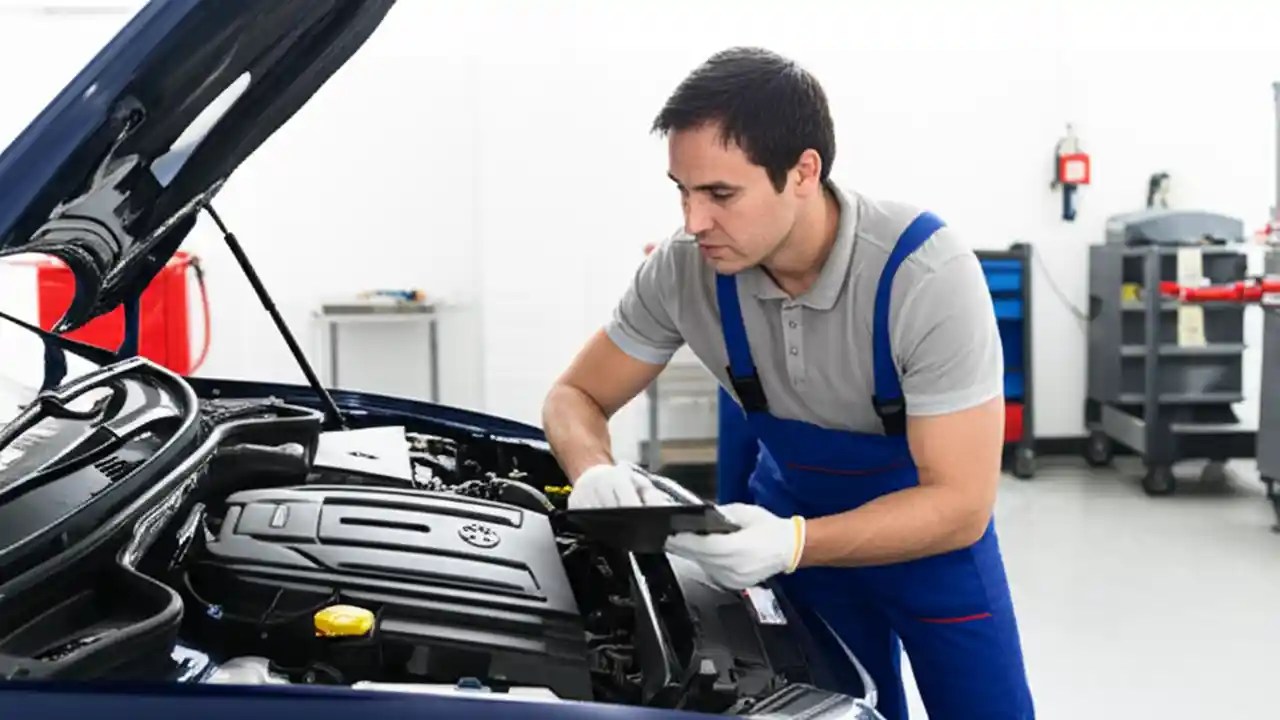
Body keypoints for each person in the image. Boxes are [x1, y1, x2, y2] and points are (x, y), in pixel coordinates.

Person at [541, 47, 1033, 719]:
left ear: (804, 172)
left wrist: (795, 541)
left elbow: (961, 503)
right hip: (794, 546)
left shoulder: (922, 274)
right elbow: (576, 396)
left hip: (929, 545)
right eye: (682, 191)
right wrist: (591, 469)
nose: (692, 223)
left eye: (720, 194)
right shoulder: (685, 273)